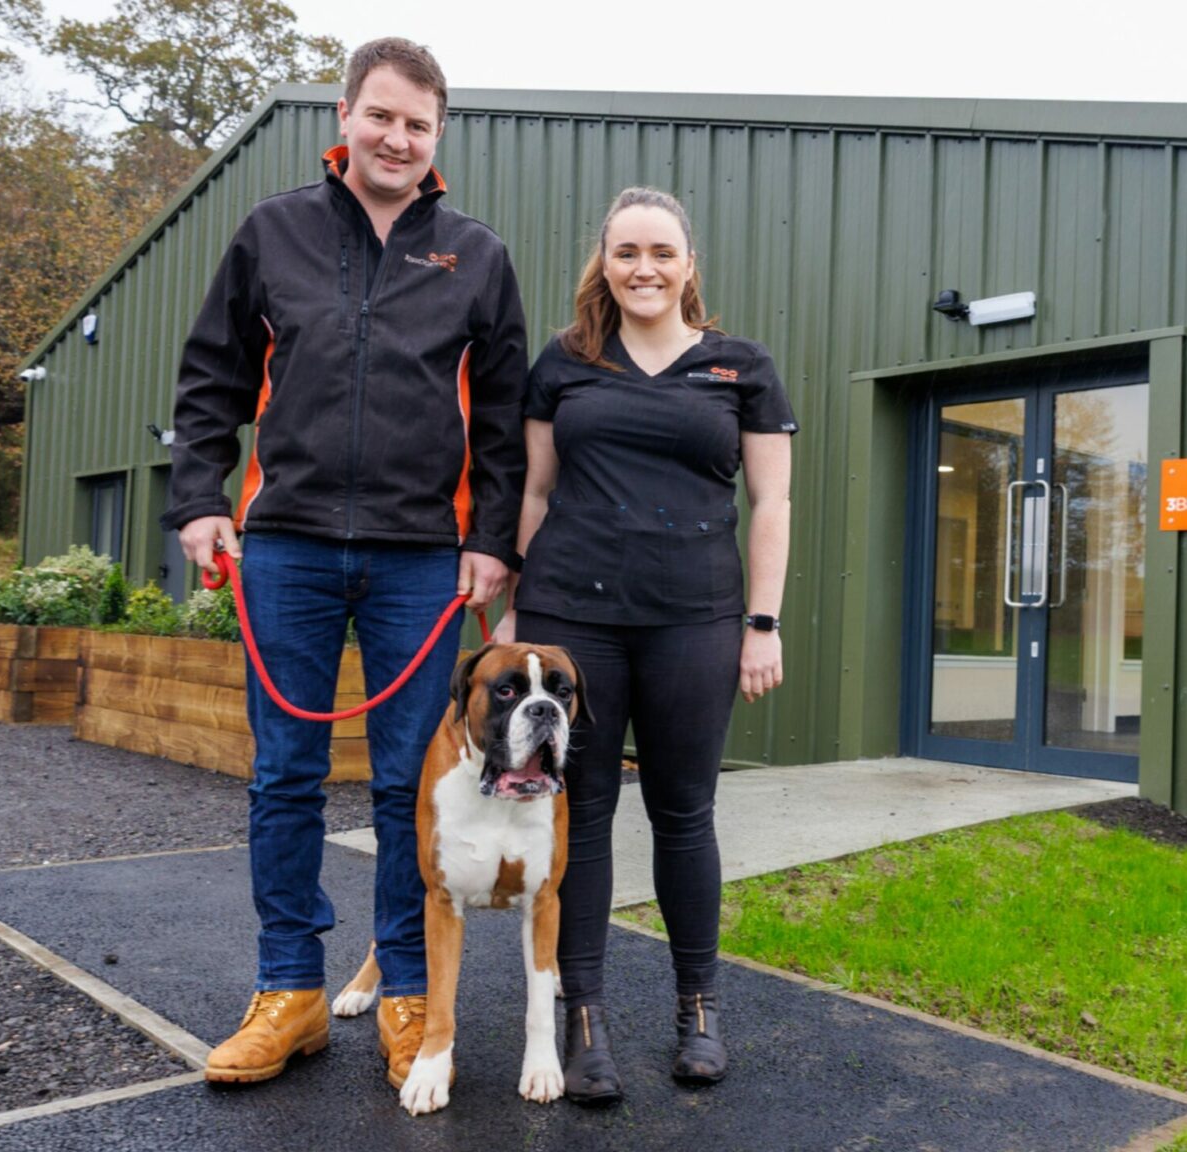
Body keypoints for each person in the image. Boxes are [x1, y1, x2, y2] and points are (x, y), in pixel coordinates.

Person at [161, 37, 527, 1091]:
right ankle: (292, 993)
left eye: (418, 124)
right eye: (382, 117)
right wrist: (199, 502)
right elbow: (212, 377)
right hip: (287, 546)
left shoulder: (474, 254)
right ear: (346, 116)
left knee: (415, 786)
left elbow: (502, 416)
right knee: (286, 776)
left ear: (438, 136)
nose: (397, 138)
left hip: (424, 558)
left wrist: (490, 538)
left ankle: (409, 992)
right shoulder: (272, 232)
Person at [495, 186, 795, 1104]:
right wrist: (509, 605)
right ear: (605, 263)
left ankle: (697, 1007)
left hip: (694, 620)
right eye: (626, 252)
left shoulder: (740, 368)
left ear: (688, 265)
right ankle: (582, 1017)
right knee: (578, 812)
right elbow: (535, 494)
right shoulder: (566, 363)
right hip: (572, 620)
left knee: (683, 811)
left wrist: (762, 624)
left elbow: (772, 503)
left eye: (661, 251)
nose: (644, 267)